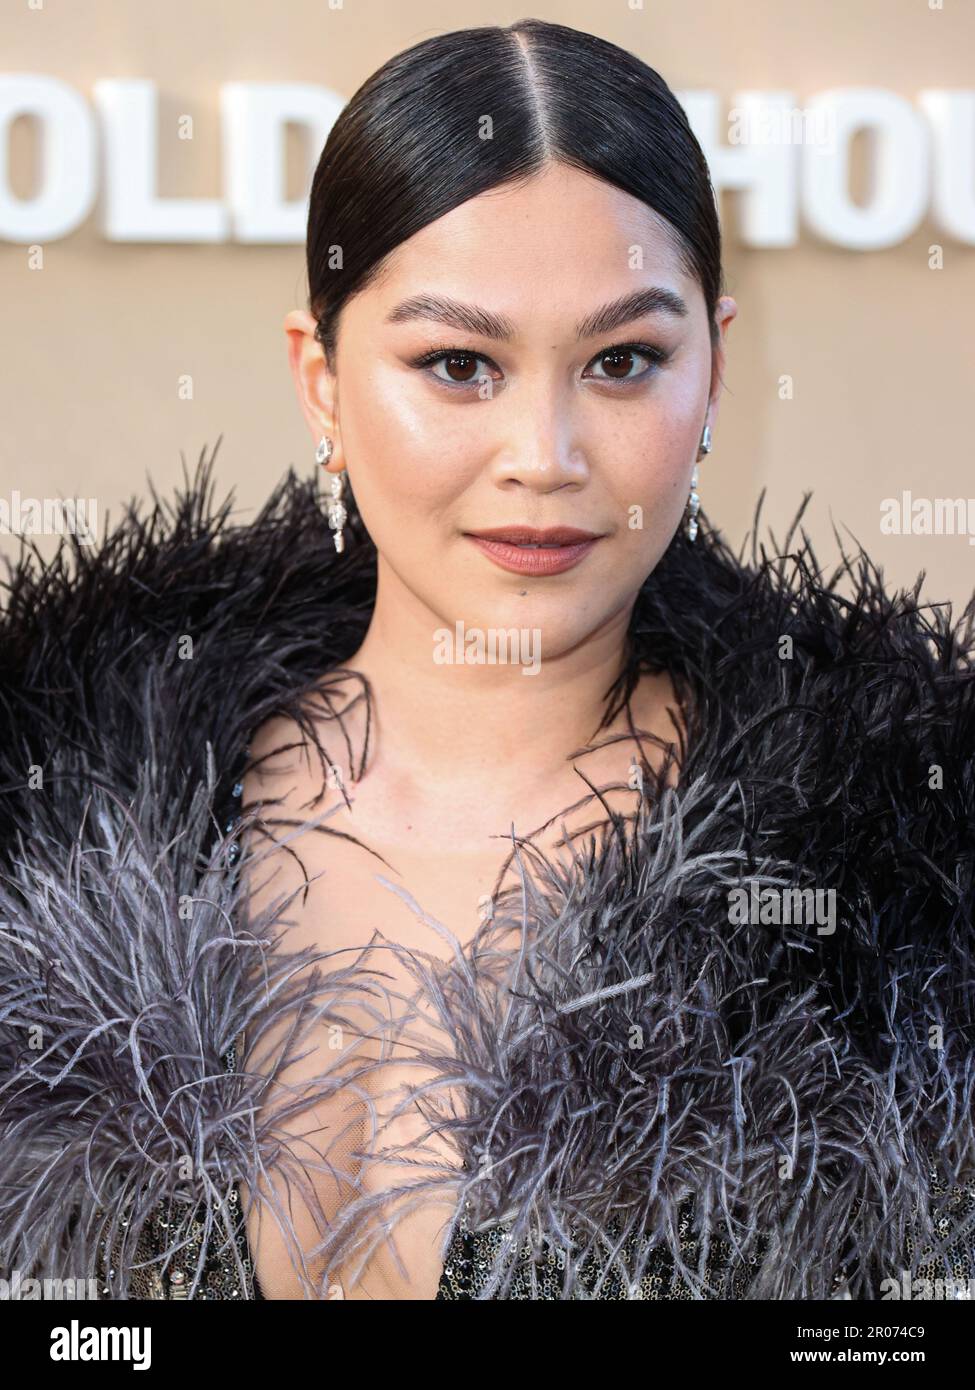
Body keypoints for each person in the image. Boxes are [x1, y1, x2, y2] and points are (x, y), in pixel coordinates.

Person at [2, 18, 973, 1302]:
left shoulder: (908, 886)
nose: (546, 453)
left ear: (718, 371)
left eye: (623, 362)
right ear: (322, 383)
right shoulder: (37, 816)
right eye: (459, 365)